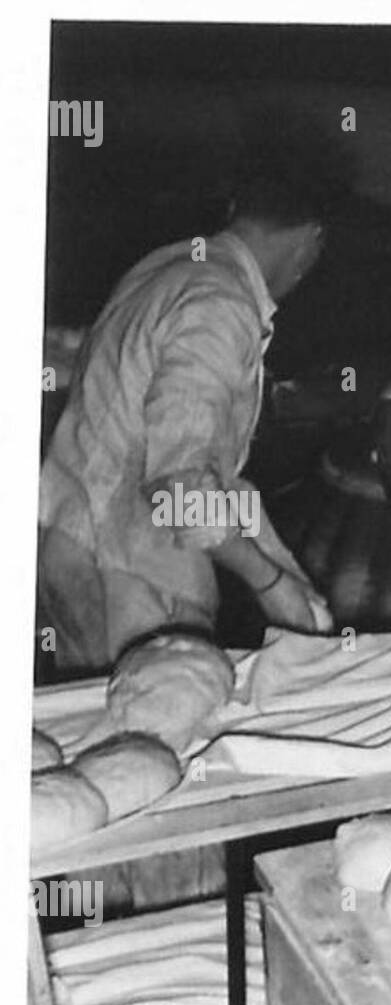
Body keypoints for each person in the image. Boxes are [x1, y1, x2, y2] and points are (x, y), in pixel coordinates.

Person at [37, 158, 337, 673]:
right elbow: (176, 492)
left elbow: (205, 477)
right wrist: (269, 583)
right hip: (129, 577)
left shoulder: (172, 266)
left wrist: (286, 573)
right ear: (310, 241)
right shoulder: (220, 307)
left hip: (71, 542)